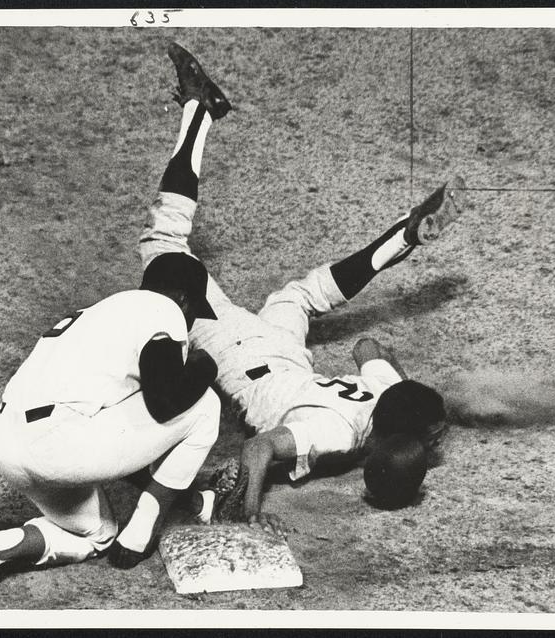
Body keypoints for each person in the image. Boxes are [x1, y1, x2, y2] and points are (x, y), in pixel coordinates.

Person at [138, 43, 466, 535]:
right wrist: (251, 509)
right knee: (164, 242)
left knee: (302, 296)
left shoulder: (385, 391)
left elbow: (368, 348)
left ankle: (402, 235)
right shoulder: (336, 433)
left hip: (283, 353)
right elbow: (259, 448)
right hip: (240, 349)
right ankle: (199, 112)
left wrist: (406, 390)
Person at [0, 251, 246, 609]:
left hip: (8, 445)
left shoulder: (96, 315)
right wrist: (207, 365)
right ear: (182, 299)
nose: (191, 322)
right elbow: (165, 405)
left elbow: (128, 438)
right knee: (204, 403)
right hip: (60, 444)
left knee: (98, 534)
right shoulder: (163, 310)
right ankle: (141, 532)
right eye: (194, 312)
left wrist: (191, 498)